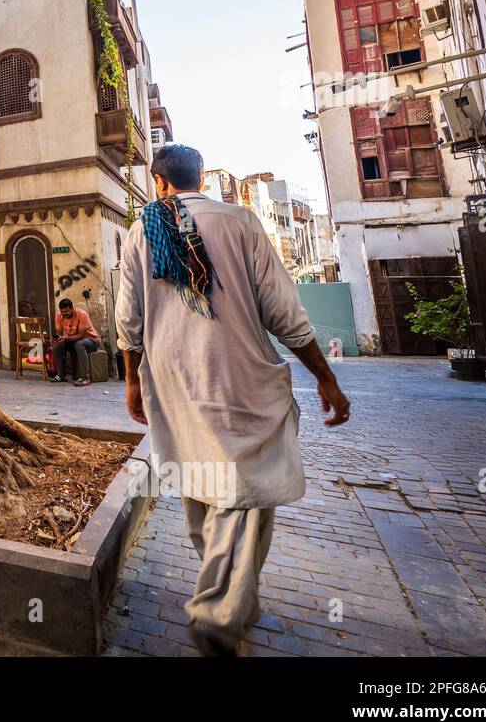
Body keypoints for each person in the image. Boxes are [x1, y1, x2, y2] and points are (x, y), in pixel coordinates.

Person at [115, 143, 350, 656]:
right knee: (241, 492)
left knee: (203, 484)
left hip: (173, 382)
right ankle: (219, 613)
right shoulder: (240, 222)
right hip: (237, 379)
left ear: (159, 182)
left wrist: (134, 382)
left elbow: (128, 322)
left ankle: (238, 597)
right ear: (201, 178)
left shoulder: (140, 231)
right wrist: (325, 376)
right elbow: (283, 311)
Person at [50, 297, 101, 386]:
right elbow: (59, 334)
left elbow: (81, 336)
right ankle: (61, 375)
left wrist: (64, 338)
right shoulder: (59, 316)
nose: (64, 314)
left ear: (72, 309)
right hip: (74, 341)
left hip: (91, 340)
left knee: (79, 344)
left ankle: (85, 378)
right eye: (62, 312)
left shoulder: (82, 314)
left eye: (66, 311)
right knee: (57, 346)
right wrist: (57, 340)